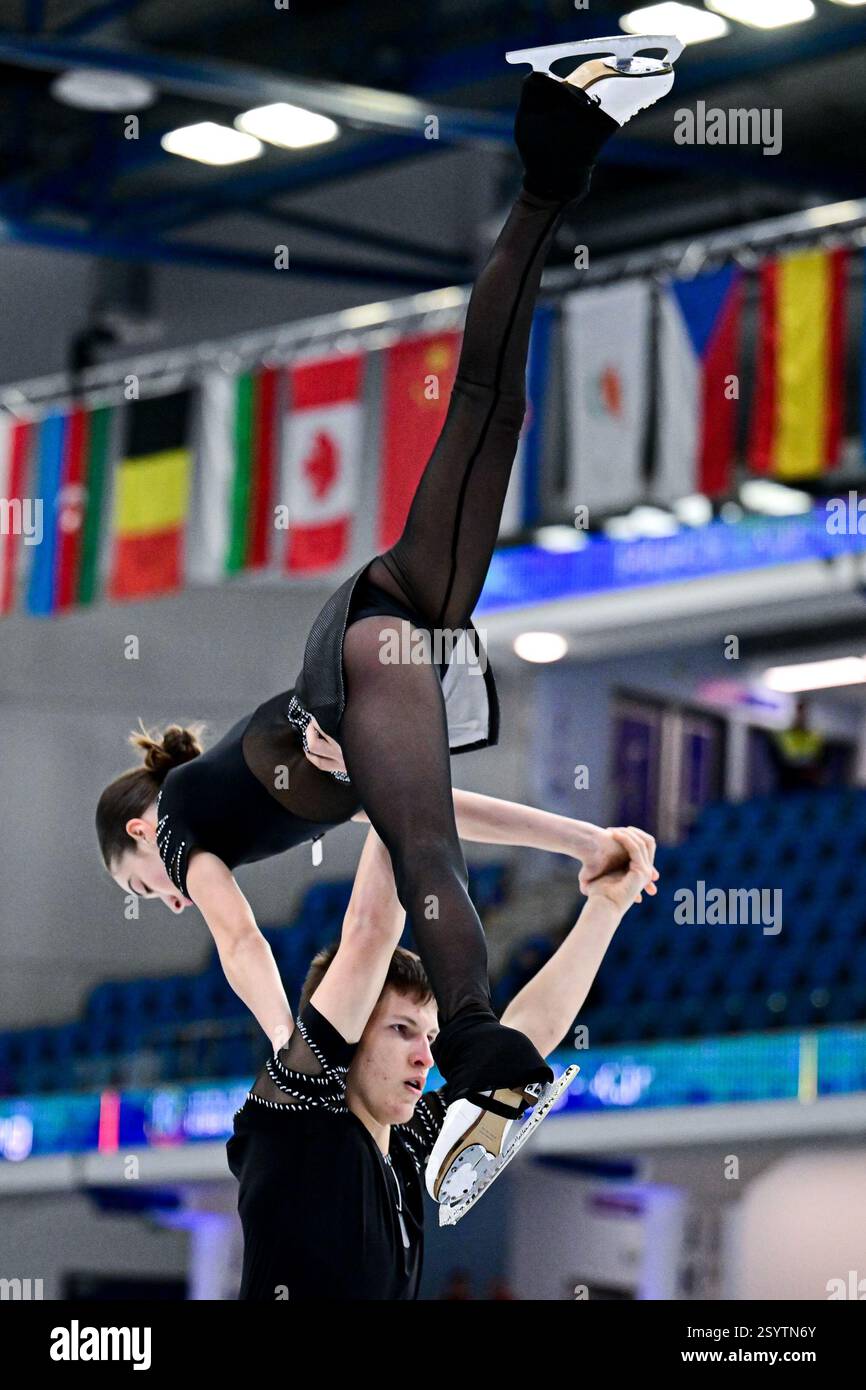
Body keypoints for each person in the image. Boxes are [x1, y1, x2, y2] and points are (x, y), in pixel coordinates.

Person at [95, 35, 677, 1202]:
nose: (161, 893)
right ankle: (556, 147)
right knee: (488, 407)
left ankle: (470, 1029)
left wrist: (289, 1050)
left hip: (353, 663)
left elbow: (244, 942)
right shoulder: (259, 801)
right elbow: (436, 800)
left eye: (140, 880)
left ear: (143, 830)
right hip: (395, 629)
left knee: (420, 859)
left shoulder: (188, 829)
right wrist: (578, 842)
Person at [226, 820, 657, 1300]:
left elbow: (526, 1036)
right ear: (348, 1033)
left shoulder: (406, 1147)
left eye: (430, 1036)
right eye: (401, 1030)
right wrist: (394, 793)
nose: (425, 1056)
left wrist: (606, 905)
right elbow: (371, 928)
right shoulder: (295, 1118)